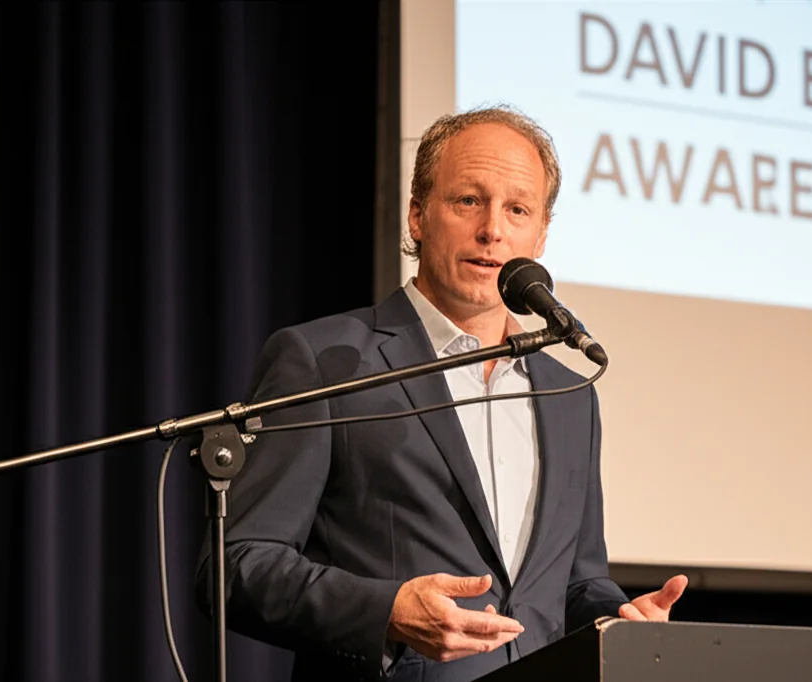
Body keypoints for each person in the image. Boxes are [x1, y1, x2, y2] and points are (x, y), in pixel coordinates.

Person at [196, 106, 687, 682]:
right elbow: (235, 566)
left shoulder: (569, 394)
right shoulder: (328, 361)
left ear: (541, 235)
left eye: (517, 209)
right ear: (417, 216)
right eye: (468, 201)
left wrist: (619, 620)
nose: (493, 230)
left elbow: (576, 582)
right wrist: (387, 611)